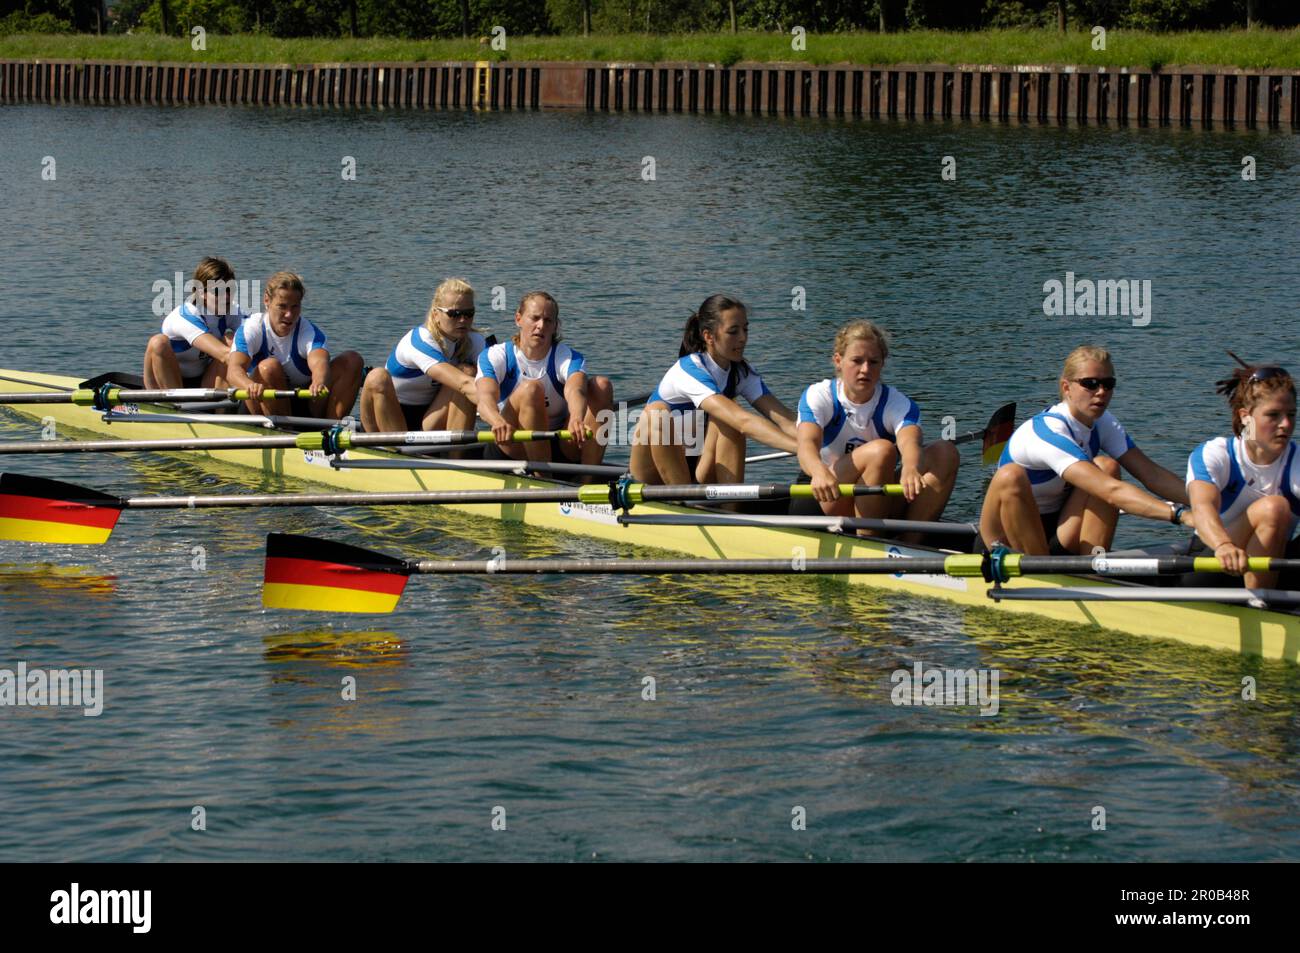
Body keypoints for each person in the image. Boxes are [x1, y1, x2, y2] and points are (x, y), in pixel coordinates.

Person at [980, 345, 1190, 555]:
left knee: (1106, 466)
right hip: (1006, 538)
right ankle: (1040, 573)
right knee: (1010, 475)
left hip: (1058, 529)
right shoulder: (1047, 433)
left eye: (1108, 384)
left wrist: (1206, 503)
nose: (1101, 392)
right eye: (1090, 384)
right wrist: (1179, 514)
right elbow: (1111, 491)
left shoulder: (1102, 422)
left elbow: (1151, 474)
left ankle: (1093, 562)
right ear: (1066, 387)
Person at [796, 321, 958, 542]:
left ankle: (911, 544)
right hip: (824, 493)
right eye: (857, 361)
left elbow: (910, 441)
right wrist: (818, 472)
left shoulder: (897, 403)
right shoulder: (819, 395)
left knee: (945, 451)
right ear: (838, 361)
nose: (865, 369)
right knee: (881, 450)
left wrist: (911, 467)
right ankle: (871, 544)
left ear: (882, 364)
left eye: (873, 362)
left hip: (875, 495)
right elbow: (806, 445)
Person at [630, 294, 796, 485]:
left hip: (697, 465)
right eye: (733, 332)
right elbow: (745, 422)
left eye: (745, 329)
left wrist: (820, 444)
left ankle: (730, 510)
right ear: (708, 336)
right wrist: (800, 449)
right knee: (656, 412)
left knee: (728, 419)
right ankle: (681, 501)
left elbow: (786, 419)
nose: (743, 338)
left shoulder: (741, 372)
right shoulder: (690, 369)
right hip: (651, 475)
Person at [1186, 358, 1299, 589]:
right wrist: (1223, 545)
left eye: (1292, 414)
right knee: (1273, 508)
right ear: (1246, 416)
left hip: (1275, 563)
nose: (1286, 424)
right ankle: (1260, 607)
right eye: (1273, 415)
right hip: (1212, 564)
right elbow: (1202, 509)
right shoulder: (1216, 454)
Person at [475, 291, 613, 465]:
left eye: (548, 321)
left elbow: (575, 389)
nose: (540, 325)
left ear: (555, 326)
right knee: (531, 389)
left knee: (602, 385)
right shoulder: (496, 356)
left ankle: (589, 479)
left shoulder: (568, 357)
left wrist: (577, 417)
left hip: (560, 444)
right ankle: (543, 476)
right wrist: (496, 421)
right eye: (535, 318)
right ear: (518, 319)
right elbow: (485, 397)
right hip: (512, 442)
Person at [225, 271, 363, 420]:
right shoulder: (252, 328)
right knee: (269, 367)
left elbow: (319, 363)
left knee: (352, 360)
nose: (289, 315)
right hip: (260, 406)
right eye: (282, 306)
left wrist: (318, 381)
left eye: (294, 307)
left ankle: (332, 429)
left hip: (303, 405)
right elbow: (233, 372)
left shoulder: (308, 331)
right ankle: (283, 432)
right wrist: (249, 385)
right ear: (267, 301)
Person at [360, 278, 486, 433]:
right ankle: (389, 448)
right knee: (377, 376)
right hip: (390, 414)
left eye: (469, 313)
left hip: (430, 418)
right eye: (454, 314)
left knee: (468, 371)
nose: (463, 320)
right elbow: (465, 384)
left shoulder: (475, 341)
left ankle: (457, 455)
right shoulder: (421, 342)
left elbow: (501, 379)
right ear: (435, 315)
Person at [143, 256, 246, 392]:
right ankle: (174, 406)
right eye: (218, 291)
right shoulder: (186, 317)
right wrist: (248, 384)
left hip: (201, 381)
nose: (226, 297)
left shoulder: (231, 310)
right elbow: (224, 355)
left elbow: (259, 335)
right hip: (165, 383)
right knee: (158, 342)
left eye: (229, 289)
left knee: (232, 339)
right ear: (201, 293)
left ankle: (220, 409)